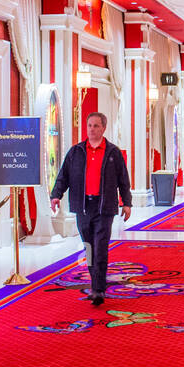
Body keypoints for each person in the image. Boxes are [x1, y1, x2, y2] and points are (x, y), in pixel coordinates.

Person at [50, 112, 132, 306]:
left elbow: (123, 180)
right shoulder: (76, 152)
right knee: (89, 247)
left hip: (105, 207)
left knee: (100, 246)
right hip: (83, 206)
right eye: (89, 125)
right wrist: (56, 195)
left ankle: (98, 289)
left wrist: (127, 203)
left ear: (103, 128)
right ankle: (96, 282)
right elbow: (64, 176)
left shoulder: (113, 152)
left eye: (96, 126)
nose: (92, 129)